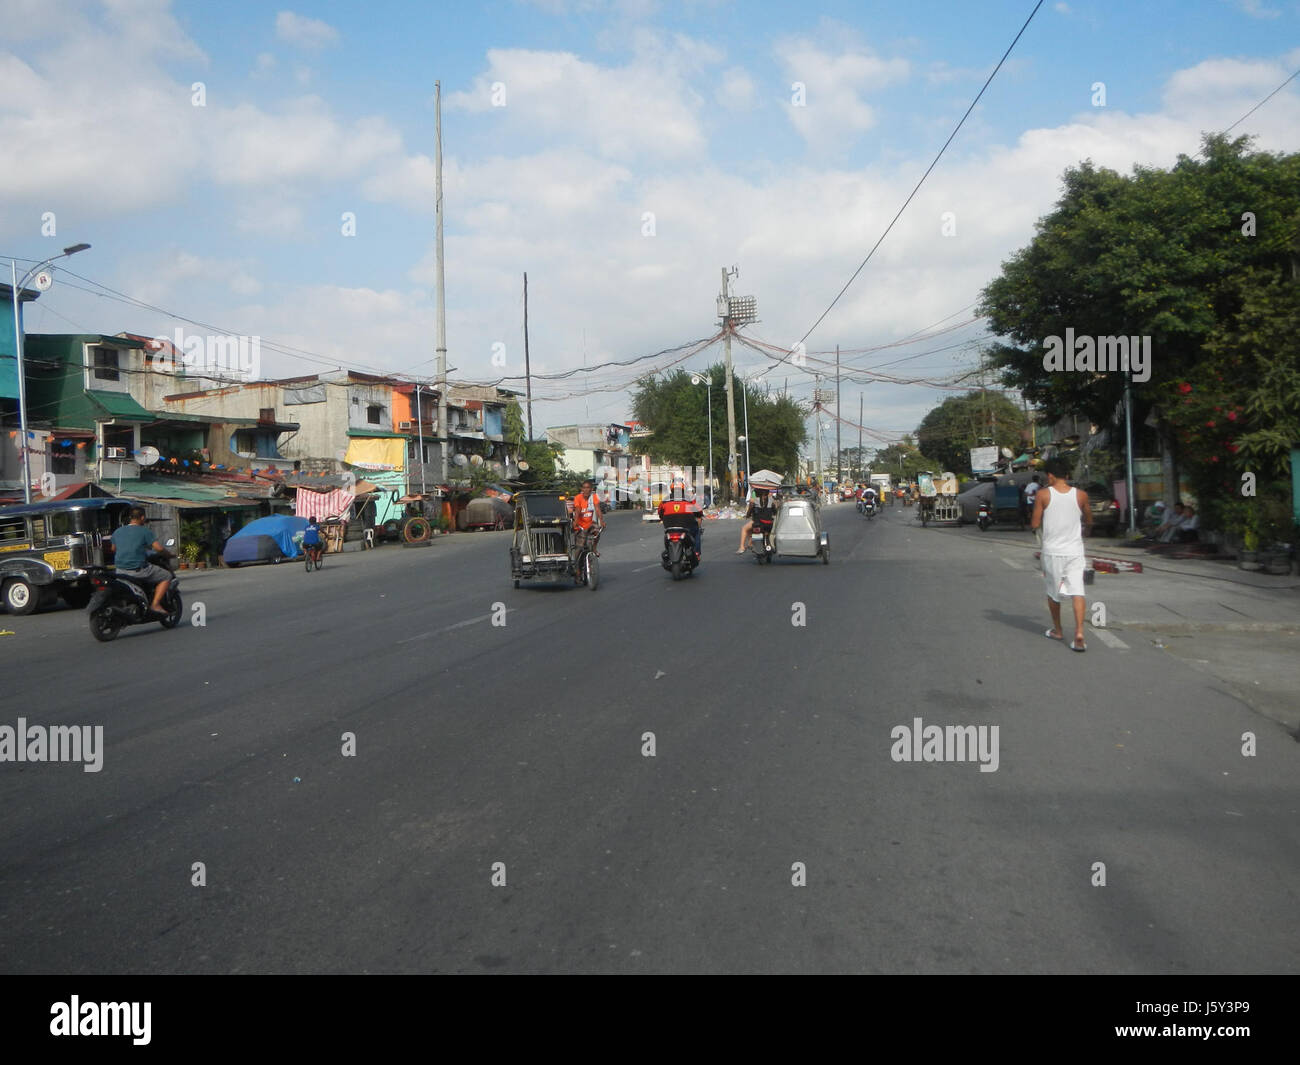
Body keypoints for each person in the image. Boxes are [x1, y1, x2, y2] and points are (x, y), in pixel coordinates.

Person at [1031, 459, 1092, 652]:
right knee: (1077, 591)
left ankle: (1058, 630)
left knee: (1053, 593)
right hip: (1075, 551)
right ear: (1067, 475)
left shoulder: (1043, 494)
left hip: (1052, 552)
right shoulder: (1081, 495)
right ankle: (1080, 632)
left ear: (1050, 476)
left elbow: (1034, 523)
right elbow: (1089, 519)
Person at [108, 506, 175, 615]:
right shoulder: (144, 531)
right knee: (167, 576)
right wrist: (169, 555)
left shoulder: (118, 531)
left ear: (130, 517)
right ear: (142, 517)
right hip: (138, 570)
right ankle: (155, 604)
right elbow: (159, 548)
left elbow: (113, 549)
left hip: (120, 571)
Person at [571, 478, 604, 558]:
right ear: (582, 489)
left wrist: (601, 521)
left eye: (588, 488)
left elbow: (597, 509)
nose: (586, 490)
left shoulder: (594, 497)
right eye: (584, 488)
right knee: (579, 547)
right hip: (580, 525)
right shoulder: (578, 498)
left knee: (597, 531)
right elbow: (578, 509)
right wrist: (575, 523)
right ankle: (576, 567)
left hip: (590, 523)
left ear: (591, 489)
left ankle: (594, 548)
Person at [737, 488, 772, 552]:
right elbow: (775, 511)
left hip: (759, 522)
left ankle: (742, 547)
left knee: (744, 528)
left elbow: (750, 510)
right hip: (769, 524)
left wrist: (747, 515)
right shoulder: (772, 500)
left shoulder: (754, 500)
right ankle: (750, 543)